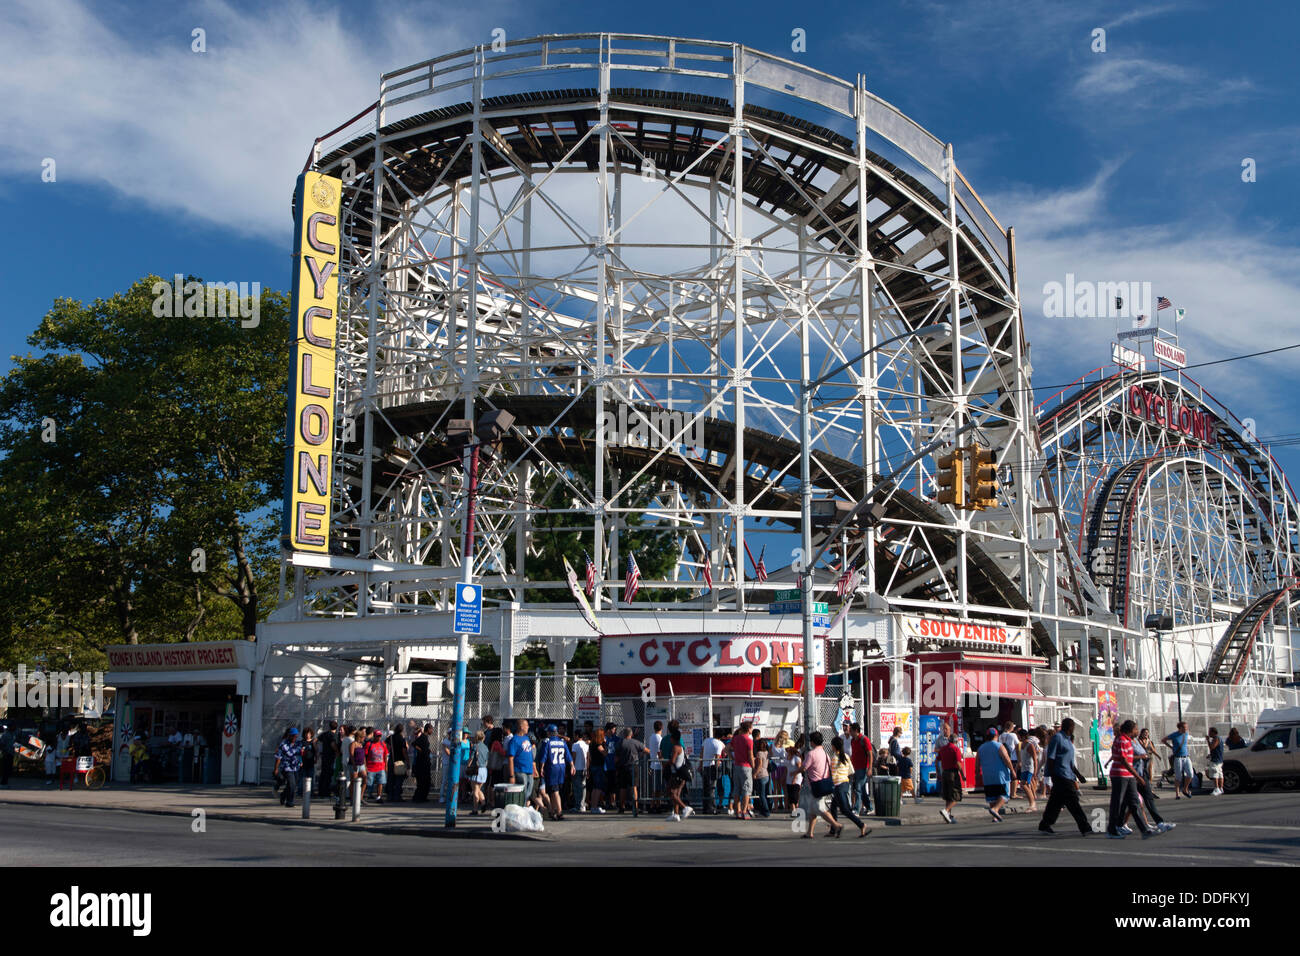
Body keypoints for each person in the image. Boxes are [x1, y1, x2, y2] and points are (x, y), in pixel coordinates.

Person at [1037, 717, 1092, 836]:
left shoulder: (1068, 740)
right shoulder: (1057, 738)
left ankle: (1045, 824)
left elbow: (1069, 762)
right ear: (1068, 727)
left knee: (1055, 802)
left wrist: (1078, 775)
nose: (1073, 728)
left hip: (1068, 774)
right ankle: (1085, 827)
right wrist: (1052, 775)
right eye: (1072, 726)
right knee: (1073, 802)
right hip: (1060, 775)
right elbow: (1051, 758)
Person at [1108, 720, 1156, 839]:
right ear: (1130, 730)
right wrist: (1138, 777)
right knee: (1117, 803)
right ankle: (1112, 830)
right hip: (1120, 775)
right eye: (1136, 729)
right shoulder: (1122, 740)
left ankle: (1144, 830)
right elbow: (1124, 761)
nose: (1137, 731)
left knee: (1135, 802)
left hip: (1128, 776)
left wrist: (1134, 776)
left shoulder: (1128, 741)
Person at [801, 732, 841, 838]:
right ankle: (810, 832)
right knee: (812, 810)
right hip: (823, 783)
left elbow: (804, 767)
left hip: (816, 785)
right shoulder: (825, 753)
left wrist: (794, 772)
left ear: (812, 742)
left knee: (820, 809)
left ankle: (836, 825)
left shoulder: (811, 754)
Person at [829, 736, 870, 837]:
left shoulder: (834, 758)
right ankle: (833, 830)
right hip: (845, 783)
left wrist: (831, 786)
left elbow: (833, 775)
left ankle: (861, 825)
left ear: (834, 746)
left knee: (845, 810)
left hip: (838, 785)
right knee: (833, 807)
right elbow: (851, 771)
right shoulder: (846, 756)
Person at [976, 727, 1015, 822]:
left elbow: (977, 763)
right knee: (1004, 794)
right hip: (1000, 775)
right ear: (996, 736)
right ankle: (995, 809)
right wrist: (1012, 770)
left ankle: (995, 816)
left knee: (992, 797)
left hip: (987, 776)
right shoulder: (999, 746)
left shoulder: (981, 748)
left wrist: (977, 774)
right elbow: (1006, 759)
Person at [538, 724, 574, 821]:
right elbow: (568, 756)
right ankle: (554, 810)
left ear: (549, 732)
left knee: (555, 791)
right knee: (554, 791)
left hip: (552, 768)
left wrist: (541, 767)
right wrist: (572, 766)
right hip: (561, 768)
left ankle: (559, 811)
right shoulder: (562, 742)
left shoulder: (547, 742)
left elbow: (544, 756)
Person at [615, 727, 649, 815]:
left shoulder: (620, 743)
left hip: (622, 766)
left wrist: (617, 766)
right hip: (633, 766)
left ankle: (622, 807)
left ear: (623, 734)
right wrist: (640, 754)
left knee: (622, 787)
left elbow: (616, 757)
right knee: (634, 787)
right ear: (631, 734)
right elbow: (646, 750)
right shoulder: (635, 742)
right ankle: (635, 807)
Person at [506, 718, 537, 803]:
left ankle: (523, 807)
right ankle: (520, 809)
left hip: (529, 770)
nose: (528, 727)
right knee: (522, 794)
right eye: (526, 725)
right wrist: (511, 776)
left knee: (528, 793)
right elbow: (510, 758)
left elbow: (530, 755)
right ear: (521, 726)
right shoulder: (514, 740)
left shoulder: (526, 738)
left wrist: (534, 769)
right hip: (520, 770)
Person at [1161, 721, 1194, 799]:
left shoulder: (1186, 734)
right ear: (1180, 728)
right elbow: (1163, 740)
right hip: (1178, 757)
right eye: (1184, 728)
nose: (1186, 729)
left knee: (1190, 773)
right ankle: (1177, 793)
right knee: (1178, 776)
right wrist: (1171, 747)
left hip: (1186, 756)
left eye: (1186, 727)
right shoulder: (1174, 735)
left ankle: (1185, 789)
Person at [730, 720, 755, 820]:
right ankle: (744, 811)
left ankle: (738, 811)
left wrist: (733, 758)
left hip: (737, 765)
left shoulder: (736, 739)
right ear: (749, 729)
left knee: (737, 789)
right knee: (746, 789)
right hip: (746, 766)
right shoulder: (749, 740)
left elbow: (727, 749)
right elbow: (750, 755)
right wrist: (753, 766)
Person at [938, 734, 965, 823]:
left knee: (948, 796)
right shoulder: (955, 749)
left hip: (944, 772)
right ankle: (946, 810)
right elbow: (958, 763)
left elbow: (937, 760)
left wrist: (938, 772)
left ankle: (948, 816)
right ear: (956, 741)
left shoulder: (943, 749)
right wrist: (962, 775)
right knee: (956, 795)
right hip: (953, 773)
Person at [274, 728, 303, 808]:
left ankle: (283, 795)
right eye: (293, 736)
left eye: (296, 736)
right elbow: (278, 757)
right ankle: (290, 802)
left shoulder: (298, 744)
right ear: (289, 736)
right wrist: (276, 769)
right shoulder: (283, 744)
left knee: (293, 784)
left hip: (296, 767)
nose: (294, 738)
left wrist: (301, 762)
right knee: (292, 784)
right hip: (287, 767)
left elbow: (300, 754)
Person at [849, 723, 872, 815]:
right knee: (861, 789)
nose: (849, 732)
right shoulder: (853, 740)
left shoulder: (864, 739)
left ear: (856, 731)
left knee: (858, 788)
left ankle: (856, 809)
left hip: (863, 768)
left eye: (851, 730)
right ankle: (869, 807)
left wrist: (869, 768)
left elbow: (870, 754)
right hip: (856, 768)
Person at [702, 729, 727, 814]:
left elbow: (701, 753)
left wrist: (700, 764)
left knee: (705, 788)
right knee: (712, 788)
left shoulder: (706, 740)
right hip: (712, 767)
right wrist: (718, 766)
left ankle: (705, 807)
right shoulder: (719, 744)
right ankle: (711, 808)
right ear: (722, 737)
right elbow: (717, 757)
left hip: (704, 765)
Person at [1016, 728, 1039, 812]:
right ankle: (1032, 803)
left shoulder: (1030, 745)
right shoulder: (1020, 745)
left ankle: (1032, 804)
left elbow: (1035, 759)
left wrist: (1035, 771)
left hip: (1029, 768)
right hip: (1023, 768)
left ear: (1022, 736)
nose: (1017, 737)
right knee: (1025, 785)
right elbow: (1020, 757)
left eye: (1018, 736)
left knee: (1024, 785)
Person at [365, 728, 389, 803]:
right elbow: (365, 756)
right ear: (374, 736)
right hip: (371, 767)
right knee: (370, 783)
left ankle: (379, 796)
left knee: (380, 782)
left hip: (380, 766)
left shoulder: (383, 744)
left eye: (379, 736)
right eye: (377, 736)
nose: (378, 738)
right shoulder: (369, 744)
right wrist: (365, 766)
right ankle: (370, 794)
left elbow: (385, 755)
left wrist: (386, 766)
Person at [588, 728, 609, 813]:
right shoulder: (598, 744)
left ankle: (593, 806)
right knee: (598, 787)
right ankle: (594, 806)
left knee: (595, 787)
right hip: (598, 767)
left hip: (594, 766)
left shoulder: (592, 744)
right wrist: (605, 743)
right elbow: (605, 753)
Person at [998, 721, 1020, 795]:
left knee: (1006, 775)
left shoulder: (1000, 736)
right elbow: (1018, 746)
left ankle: (1007, 791)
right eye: (1013, 727)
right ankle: (1013, 793)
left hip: (1004, 757)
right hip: (1013, 757)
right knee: (1014, 776)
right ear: (1011, 727)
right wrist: (1019, 758)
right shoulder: (1013, 735)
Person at [412, 724, 432, 803]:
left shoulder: (425, 737)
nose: (432, 731)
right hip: (422, 763)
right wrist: (421, 750)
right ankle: (418, 797)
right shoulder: (423, 736)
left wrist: (426, 750)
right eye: (431, 729)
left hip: (425, 762)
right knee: (422, 781)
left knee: (426, 781)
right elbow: (414, 744)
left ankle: (423, 796)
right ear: (428, 729)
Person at [387, 724, 408, 802]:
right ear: (402, 730)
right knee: (399, 779)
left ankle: (390, 795)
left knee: (390, 778)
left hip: (391, 759)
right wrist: (407, 761)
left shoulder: (391, 738)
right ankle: (397, 796)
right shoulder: (401, 739)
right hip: (399, 761)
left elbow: (388, 747)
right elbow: (404, 751)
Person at [317, 721, 338, 798]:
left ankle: (321, 790)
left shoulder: (325, 734)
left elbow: (316, 740)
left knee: (323, 773)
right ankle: (325, 791)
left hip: (324, 755)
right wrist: (337, 751)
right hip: (330, 756)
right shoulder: (333, 735)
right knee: (328, 774)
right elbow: (333, 744)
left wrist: (318, 750)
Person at [753, 739, 772, 817]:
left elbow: (760, 765)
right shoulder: (767, 753)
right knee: (765, 794)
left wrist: (755, 774)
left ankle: (766, 811)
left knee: (762, 795)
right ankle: (765, 810)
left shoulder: (759, 753)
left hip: (761, 775)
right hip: (766, 774)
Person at [571, 730, 589, 812]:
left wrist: (572, 766)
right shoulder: (586, 745)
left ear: (577, 736)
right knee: (583, 787)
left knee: (576, 787)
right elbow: (588, 757)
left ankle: (578, 805)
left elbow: (573, 757)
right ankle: (582, 804)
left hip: (576, 768)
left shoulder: (575, 745)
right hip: (584, 768)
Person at [648, 720, 664, 809]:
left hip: (653, 764)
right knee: (657, 787)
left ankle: (656, 804)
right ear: (661, 728)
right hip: (658, 764)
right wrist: (663, 762)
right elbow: (659, 752)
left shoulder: (651, 737)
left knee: (655, 787)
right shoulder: (659, 738)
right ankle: (654, 804)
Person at [1205, 727, 1225, 796]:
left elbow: (1212, 747)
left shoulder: (1216, 738)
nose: (1209, 733)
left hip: (1216, 760)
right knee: (1220, 774)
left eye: (1210, 732)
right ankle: (1221, 788)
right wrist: (1210, 755)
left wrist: (1208, 740)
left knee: (1215, 773)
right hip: (1219, 759)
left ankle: (1217, 788)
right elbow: (1216, 749)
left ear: (1213, 732)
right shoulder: (1218, 738)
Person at [299, 727, 316, 797]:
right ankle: (300, 791)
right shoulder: (302, 742)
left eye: (309, 734)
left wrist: (316, 758)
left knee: (310, 777)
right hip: (303, 762)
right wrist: (300, 761)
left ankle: (310, 791)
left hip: (311, 762)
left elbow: (315, 751)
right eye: (306, 734)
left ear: (311, 734)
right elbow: (299, 753)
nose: (307, 735)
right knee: (302, 777)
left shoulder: (312, 742)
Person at [785, 745, 803, 812]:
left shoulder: (797, 758)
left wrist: (794, 778)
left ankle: (796, 809)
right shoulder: (787, 757)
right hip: (788, 778)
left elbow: (799, 769)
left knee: (795, 795)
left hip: (797, 778)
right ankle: (794, 810)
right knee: (790, 794)